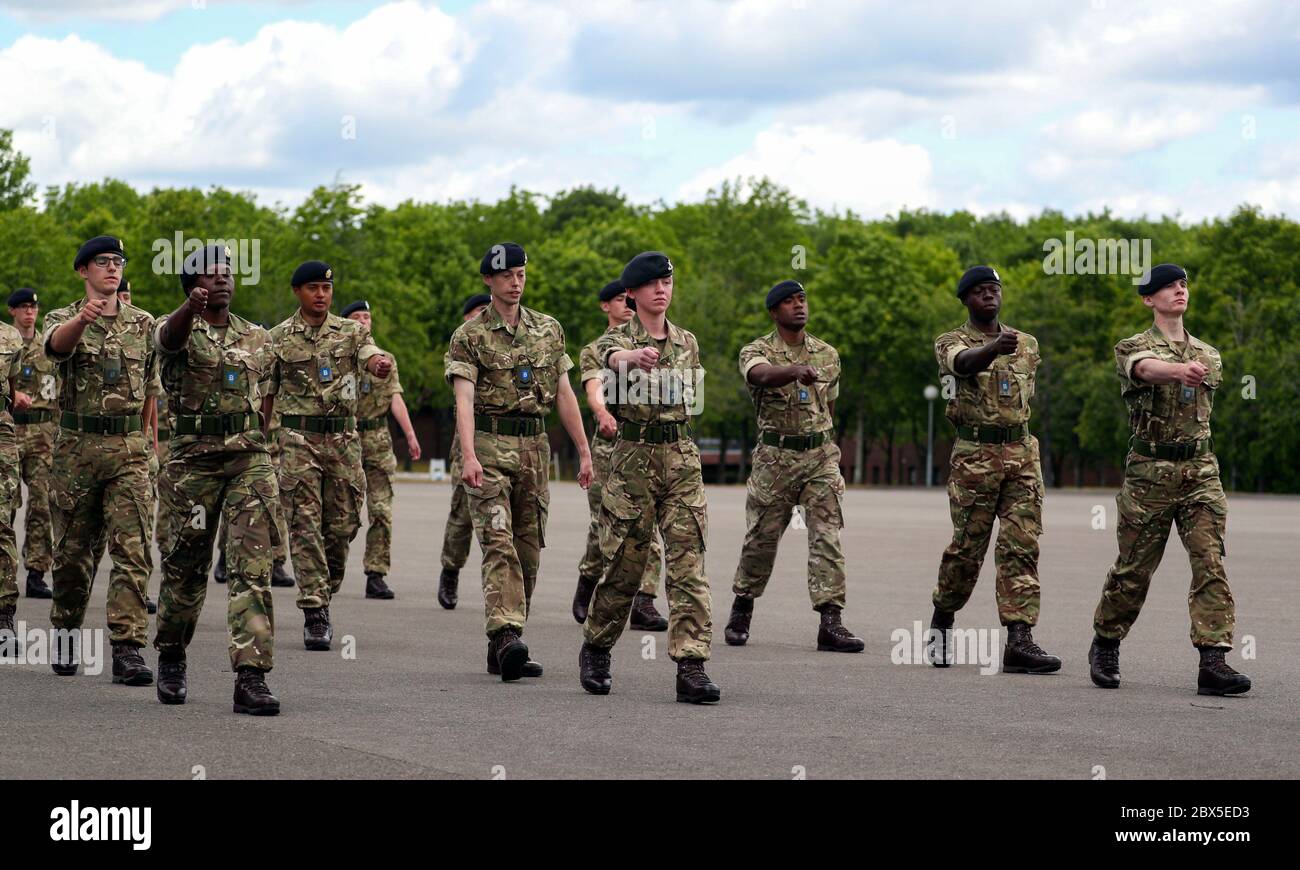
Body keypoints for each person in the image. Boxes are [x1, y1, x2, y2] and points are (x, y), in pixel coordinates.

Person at [1089, 263, 1250, 696]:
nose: (1179, 291)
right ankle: (1106, 641)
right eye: (1168, 287)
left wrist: (1188, 368)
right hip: (1149, 474)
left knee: (1209, 562)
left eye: (1182, 284)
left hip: (1200, 471)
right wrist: (1176, 371)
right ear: (1148, 298)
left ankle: (1213, 660)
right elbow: (1143, 369)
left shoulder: (1209, 354)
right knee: (1134, 569)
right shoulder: (1132, 347)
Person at [444, 242, 593, 681]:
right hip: (489, 447)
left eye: (521, 274)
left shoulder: (548, 329)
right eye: (506, 275)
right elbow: (464, 399)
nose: (515, 282)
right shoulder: (469, 336)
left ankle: (503, 642)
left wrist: (583, 450)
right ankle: (507, 634)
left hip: (534, 450)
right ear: (489, 280)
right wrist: (468, 455)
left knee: (528, 551)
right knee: (498, 542)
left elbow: (564, 393)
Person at [579, 251, 720, 704]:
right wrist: (628, 359)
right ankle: (597, 646)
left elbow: (692, 399)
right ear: (633, 294)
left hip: (680, 458)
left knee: (688, 563)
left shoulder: (687, 342)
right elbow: (606, 357)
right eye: (653, 284)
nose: (662, 289)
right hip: (632, 460)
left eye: (667, 282)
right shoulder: (615, 340)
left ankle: (692, 665)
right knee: (624, 565)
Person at [151, 243, 280, 714]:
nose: (222, 278)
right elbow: (169, 342)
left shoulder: (257, 337)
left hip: (248, 459)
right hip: (193, 464)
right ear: (192, 285)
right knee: (186, 567)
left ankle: (252, 676)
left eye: (227, 271)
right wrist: (191, 309)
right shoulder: (174, 324)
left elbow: (268, 392)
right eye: (210, 274)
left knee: (253, 567)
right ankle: (171, 653)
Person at [928, 266, 1060, 674]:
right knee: (967, 549)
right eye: (980, 291)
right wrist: (991, 350)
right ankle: (942, 620)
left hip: (1021, 451)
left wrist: (1004, 347)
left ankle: (1019, 639)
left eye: (994, 290)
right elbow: (963, 365)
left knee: (1021, 544)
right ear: (966, 299)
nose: (989, 296)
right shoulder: (951, 341)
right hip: (975, 455)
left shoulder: (1027, 344)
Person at [724, 280, 862, 652]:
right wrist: (794, 371)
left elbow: (829, 407)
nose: (798, 306)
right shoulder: (757, 349)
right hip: (775, 459)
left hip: (819, 458)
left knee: (826, 536)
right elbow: (760, 375)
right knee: (761, 540)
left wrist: (829, 448)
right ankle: (743, 604)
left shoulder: (828, 354)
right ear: (774, 312)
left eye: (802, 299)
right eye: (788, 302)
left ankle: (830, 620)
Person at [43, 235, 157, 683]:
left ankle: (128, 648)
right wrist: (81, 320)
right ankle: (67, 631)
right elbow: (55, 348)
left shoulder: (143, 323)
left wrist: (151, 441)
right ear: (83, 271)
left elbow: (151, 386)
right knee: (73, 555)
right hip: (77, 449)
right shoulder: (63, 317)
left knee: (132, 550)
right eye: (102, 262)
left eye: (118, 261)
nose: (112, 268)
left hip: (129, 451)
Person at [265, 261, 392, 651]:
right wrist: (258, 436)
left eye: (326, 288)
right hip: (298, 441)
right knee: (304, 526)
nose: (321, 294)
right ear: (298, 292)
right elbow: (267, 392)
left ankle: (326, 586)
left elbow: (370, 351)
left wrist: (378, 362)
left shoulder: (351, 331)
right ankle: (315, 610)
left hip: (342, 442)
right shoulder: (278, 338)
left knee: (341, 528)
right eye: (314, 288)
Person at [572, 279, 665, 630]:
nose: (626, 304)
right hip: (608, 449)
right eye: (617, 299)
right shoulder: (595, 350)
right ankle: (588, 579)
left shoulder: (654, 343)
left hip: (646, 450)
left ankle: (644, 601)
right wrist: (600, 412)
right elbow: (593, 387)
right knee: (604, 524)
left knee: (647, 524)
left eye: (629, 298)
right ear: (604, 306)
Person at [342, 299, 422, 600]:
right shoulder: (339, 356)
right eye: (357, 317)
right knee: (342, 516)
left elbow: (395, 398)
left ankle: (376, 574)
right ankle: (327, 569)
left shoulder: (386, 359)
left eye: (367, 317)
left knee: (381, 511)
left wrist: (411, 435)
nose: (363, 321)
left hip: (378, 440)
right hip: (344, 441)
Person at [436, 293, 490, 610]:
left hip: (510, 441)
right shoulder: (460, 348)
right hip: (470, 439)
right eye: (478, 312)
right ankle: (450, 569)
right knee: (463, 512)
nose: (484, 316)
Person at [8, 287, 55, 599]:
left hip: (41, 433)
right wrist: (13, 397)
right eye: (23, 307)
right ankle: (4, 571)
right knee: (6, 504)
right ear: (12, 311)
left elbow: (60, 392)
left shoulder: (49, 347)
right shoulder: (4, 345)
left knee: (42, 503)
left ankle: (36, 572)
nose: (29, 313)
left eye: (33, 308)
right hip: (9, 431)